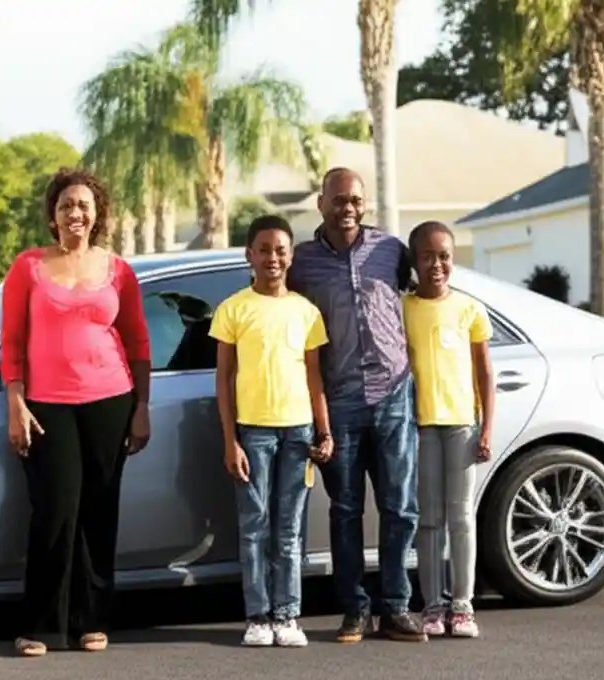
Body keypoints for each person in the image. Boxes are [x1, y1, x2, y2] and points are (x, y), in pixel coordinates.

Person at [0, 167, 152, 658]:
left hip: (111, 400)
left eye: (84, 205)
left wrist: (141, 406)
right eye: (66, 205)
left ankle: (91, 622)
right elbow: (12, 341)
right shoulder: (28, 268)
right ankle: (42, 626)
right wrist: (15, 401)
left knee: (98, 512)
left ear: (97, 214)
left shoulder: (119, 270)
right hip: (49, 406)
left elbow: (138, 341)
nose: (75, 213)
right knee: (55, 512)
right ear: (53, 215)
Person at [286, 167, 427, 643]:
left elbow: (426, 297)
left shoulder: (390, 251)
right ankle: (355, 611)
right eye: (339, 199)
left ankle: (396, 608)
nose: (348, 207)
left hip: (393, 394)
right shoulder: (301, 263)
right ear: (321, 203)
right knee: (345, 510)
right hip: (338, 399)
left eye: (356, 199)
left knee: (399, 506)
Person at [211, 215, 334, 647]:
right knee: (254, 524)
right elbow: (223, 379)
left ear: (291, 256)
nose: (272, 258)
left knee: (289, 528)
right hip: (253, 433)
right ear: (249, 255)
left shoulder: (305, 311)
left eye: (280, 250)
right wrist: (231, 440)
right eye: (263, 250)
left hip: (298, 433)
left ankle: (287, 615)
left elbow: (315, 378)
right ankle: (258, 616)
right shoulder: (234, 309)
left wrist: (324, 430)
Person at [403, 221, 494, 639]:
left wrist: (486, 428)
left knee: (461, 518)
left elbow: (484, 373)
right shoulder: (405, 308)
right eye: (427, 256)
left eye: (444, 256)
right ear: (414, 261)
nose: (436, 265)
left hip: (460, 425)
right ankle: (433, 605)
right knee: (429, 519)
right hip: (421, 426)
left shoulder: (469, 309)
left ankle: (462, 605)